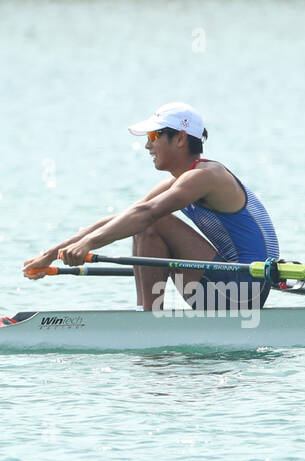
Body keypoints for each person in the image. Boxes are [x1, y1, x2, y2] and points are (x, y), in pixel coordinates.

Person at [23, 102, 279, 311]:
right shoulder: (182, 180)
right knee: (140, 220)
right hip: (233, 287)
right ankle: (148, 318)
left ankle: (146, 319)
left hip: (243, 289)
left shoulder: (206, 176)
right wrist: (51, 253)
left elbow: (145, 215)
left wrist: (88, 245)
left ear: (179, 138)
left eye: (154, 136)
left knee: (153, 221)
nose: (147, 145)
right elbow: (126, 216)